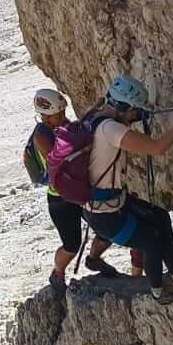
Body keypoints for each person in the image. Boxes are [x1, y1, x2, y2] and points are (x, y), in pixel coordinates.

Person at [82, 74, 173, 303]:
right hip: (108, 214)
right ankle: (159, 292)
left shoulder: (94, 118)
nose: (134, 115)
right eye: (133, 111)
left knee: (160, 217)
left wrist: (131, 117)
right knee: (151, 242)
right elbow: (158, 148)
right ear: (124, 107)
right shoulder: (112, 130)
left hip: (103, 205)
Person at [28, 88, 114, 294]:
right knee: (71, 245)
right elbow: (60, 159)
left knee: (108, 228)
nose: (63, 117)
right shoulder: (42, 135)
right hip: (61, 198)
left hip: (76, 191)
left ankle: (94, 259)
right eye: (59, 114)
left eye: (63, 113)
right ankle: (58, 272)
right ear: (46, 117)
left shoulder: (61, 126)